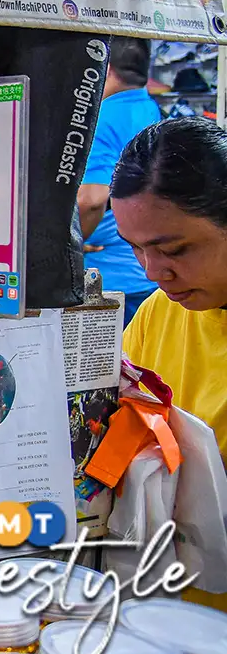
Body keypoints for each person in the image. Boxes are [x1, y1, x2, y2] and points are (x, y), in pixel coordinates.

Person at [114, 116, 227, 613]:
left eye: (175, 250)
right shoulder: (161, 312)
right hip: (167, 607)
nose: (154, 272)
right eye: (135, 249)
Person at [79, 37, 162, 326]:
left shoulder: (102, 117)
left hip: (109, 278)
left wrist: (71, 244)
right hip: (148, 274)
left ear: (105, 68)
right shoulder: (149, 108)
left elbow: (91, 200)